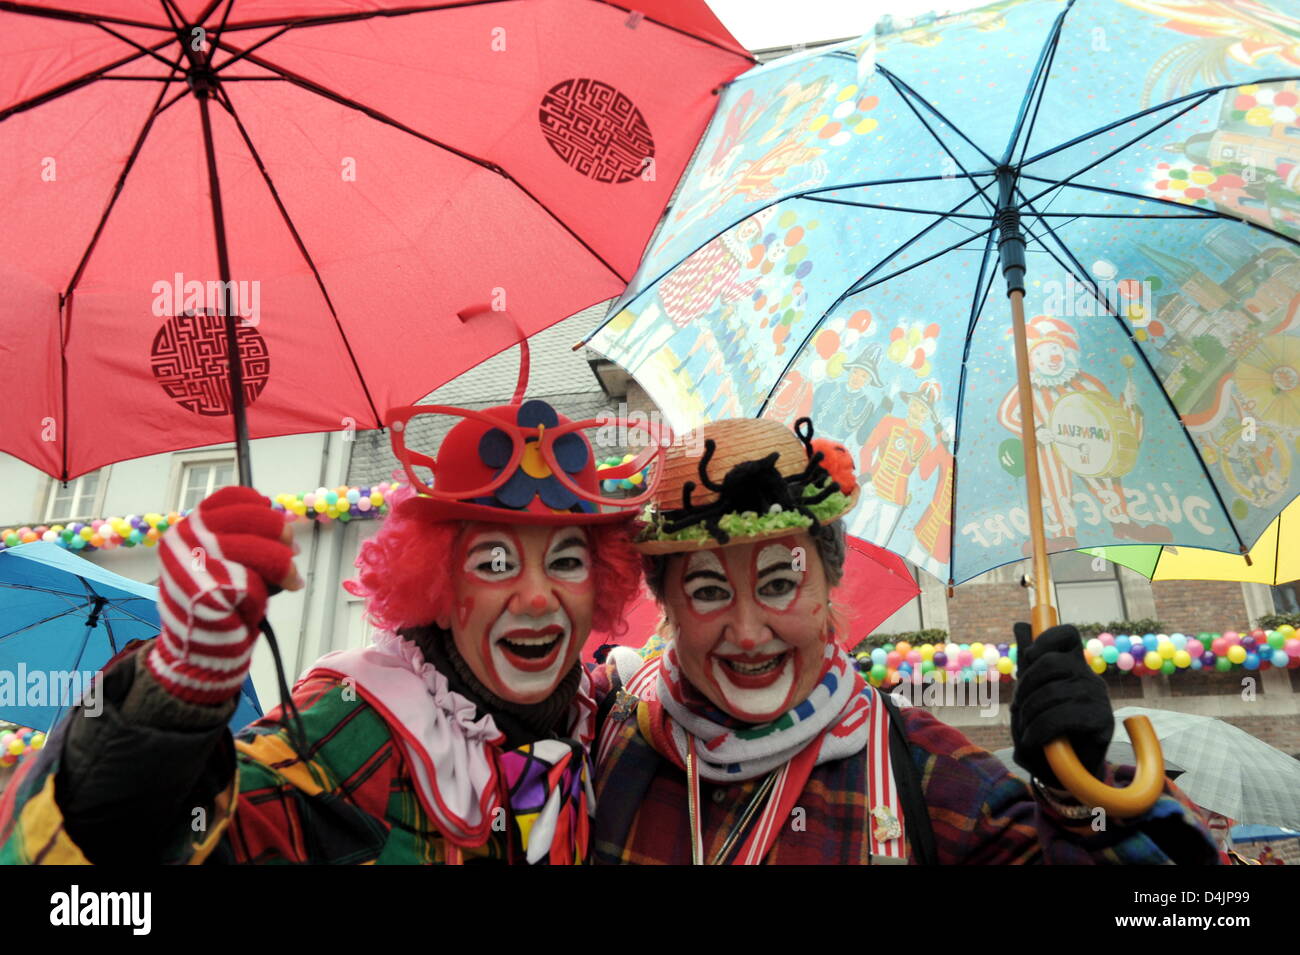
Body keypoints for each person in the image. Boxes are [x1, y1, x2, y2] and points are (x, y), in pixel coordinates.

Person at [0, 346, 654, 865]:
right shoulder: (350, 731)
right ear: (439, 590)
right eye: (495, 562)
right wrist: (174, 695)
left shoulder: (602, 720)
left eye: (566, 560)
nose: (538, 595)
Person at [589, 415, 1221, 864]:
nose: (750, 633)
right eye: (707, 591)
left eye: (781, 581)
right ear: (666, 602)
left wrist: (1080, 801)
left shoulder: (938, 780)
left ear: (829, 583)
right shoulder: (610, 733)